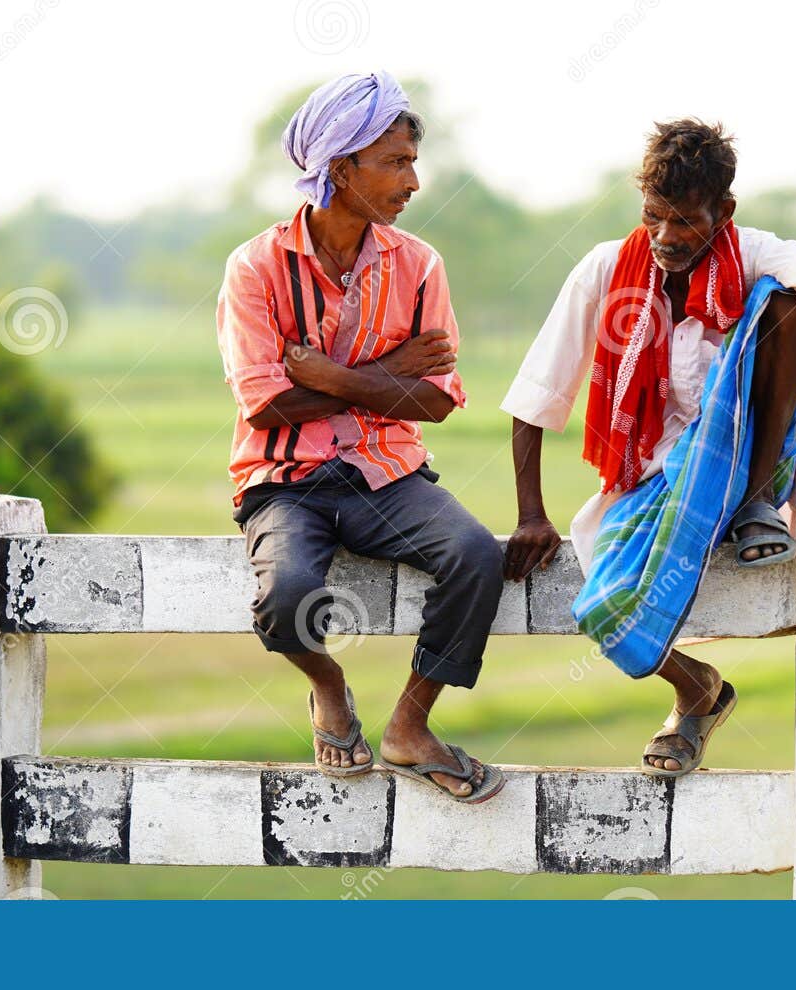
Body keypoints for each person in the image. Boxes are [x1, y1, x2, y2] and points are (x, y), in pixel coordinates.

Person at [502, 118, 796, 776]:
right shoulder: (603, 270)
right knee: (603, 608)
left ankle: (757, 502)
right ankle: (697, 689)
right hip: (653, 477)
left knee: (788, 305)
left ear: (723, 212)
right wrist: (531, 514)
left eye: (685, 221)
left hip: (750, 465)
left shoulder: (754, 250)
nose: (667, 237)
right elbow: (537, 392)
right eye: (654, 217)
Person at [215, 71, 505, 803]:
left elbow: (437, 400)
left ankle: (411, 725)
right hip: (284, 481)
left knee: (475, 556)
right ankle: (329, 686)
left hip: (387, 472)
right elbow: (266, 406)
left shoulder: (418, 265)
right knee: (286, 594)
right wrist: (386, 373)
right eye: (396, 161)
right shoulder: (256, 268)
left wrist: (333, 374)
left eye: (411, 160)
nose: (413, 180)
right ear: (340, 169)